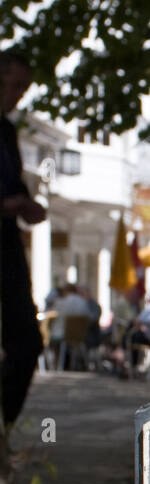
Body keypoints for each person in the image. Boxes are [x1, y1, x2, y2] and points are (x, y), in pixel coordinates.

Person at [0, 46, 45, 425]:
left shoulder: (7, 131)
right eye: (12, 85)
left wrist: (27, 205)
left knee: (27, 342)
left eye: (22, 88)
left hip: (7, 245)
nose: (16, 96)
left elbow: (14, 187)